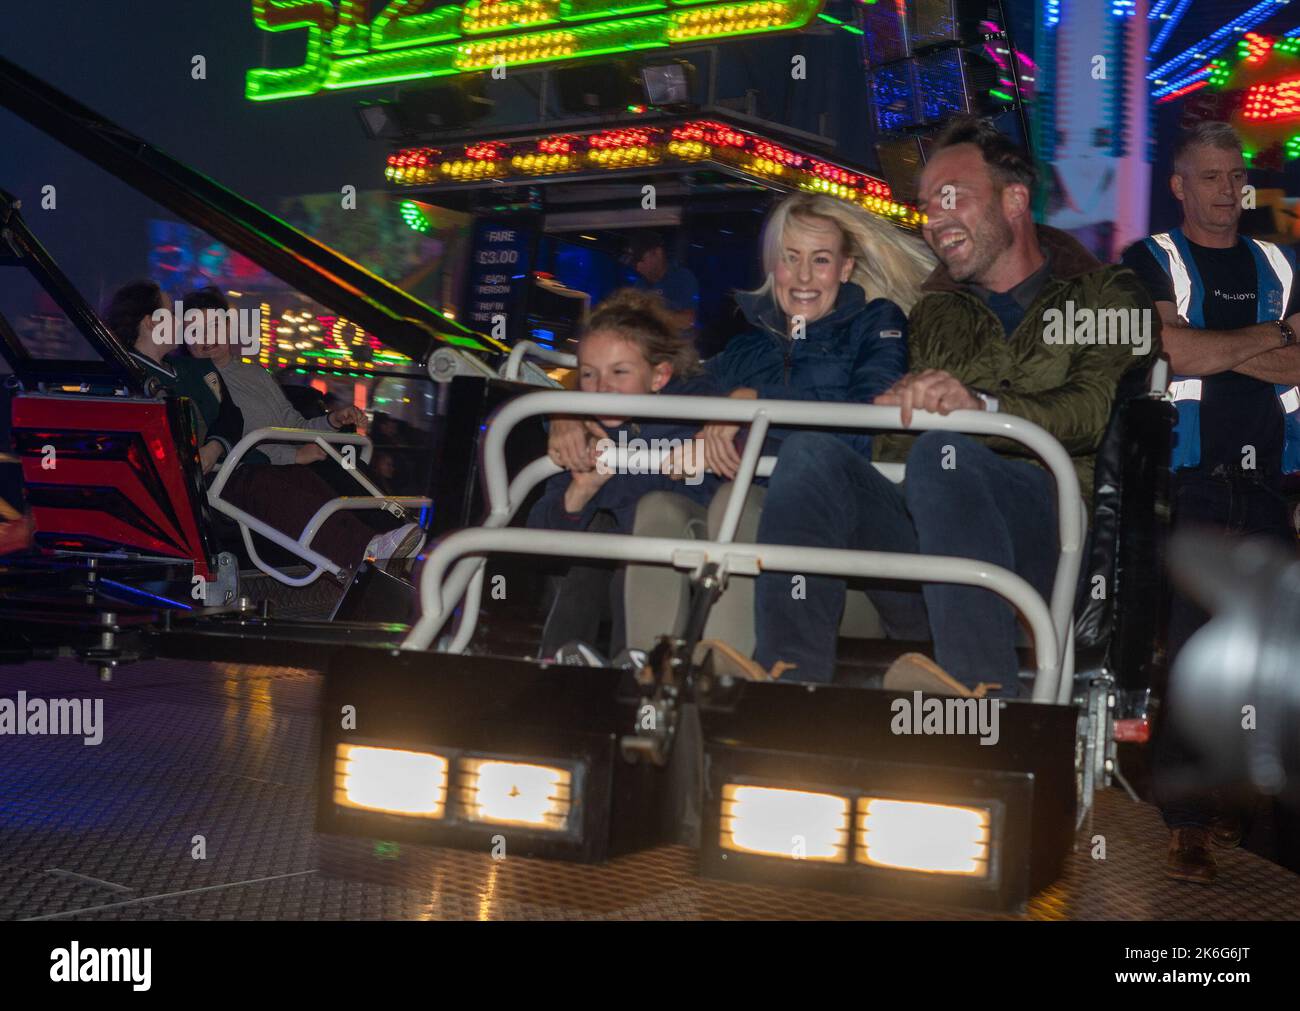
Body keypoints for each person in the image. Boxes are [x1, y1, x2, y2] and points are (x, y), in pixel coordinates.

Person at [740, 117, 1156, 692]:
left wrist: (977, 406)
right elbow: (892, 446)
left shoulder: (1108, 290)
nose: (933, 219)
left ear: (1014, 200)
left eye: (951, 198)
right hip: (939, 534)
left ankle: (981, 692)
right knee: (813, 455)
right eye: (927, 205)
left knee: (944, 454)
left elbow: (1091, 411)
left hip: (1053, 532)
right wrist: (898, 408)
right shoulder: (938, 311)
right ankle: (784, 678)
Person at [1120, 121, 1300, 885]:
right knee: (1194, 649)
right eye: (1213, 176)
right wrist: (1271, 337)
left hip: (1274, 483)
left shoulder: (1284, 261)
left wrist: (1215, 342)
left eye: (1236, 177)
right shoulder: (1147, 259)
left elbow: (1209, 348)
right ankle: (1187, 823)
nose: (1229, 191)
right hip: (1187, 479)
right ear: (1180, 185)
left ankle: (1240, 810)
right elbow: (1175, 351)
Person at [530, 289, 720, 657]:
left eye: (620, 372)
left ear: (659, 376)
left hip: (695, 576)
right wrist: (579, 492)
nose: (602, 388)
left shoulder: (702, 413)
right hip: (615, 579)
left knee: (639, 543)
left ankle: (638, 665)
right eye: (588, 374)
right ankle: (560, 663)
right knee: (593, 541)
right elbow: (539, 546)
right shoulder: (587, 432)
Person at [184, 288, 423, 572]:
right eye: (195, 330)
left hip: (284, 458)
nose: (206, 338)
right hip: (248, 468)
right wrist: (294, 456)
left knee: (341, 459)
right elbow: (229, 437)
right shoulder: (195, 381)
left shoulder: (255, 374)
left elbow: (294, 424)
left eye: (213, 326)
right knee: (310, 471)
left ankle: (401, 532)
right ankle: (370, 548)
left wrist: (332, 421)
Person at [104, 280, 243, 474]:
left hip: (233, 467)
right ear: (151, 322)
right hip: (209, 484)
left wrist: (213, 448)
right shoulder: (132, 380)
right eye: (172, 313)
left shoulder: (194, 366)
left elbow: (232, 415)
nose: (179, 322)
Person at [626, 232, 700, 333]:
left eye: (640, 260)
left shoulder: (682, 278)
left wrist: (651, 313)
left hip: (674, 347)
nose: (637, 267)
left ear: (658, 253)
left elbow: (687, 321)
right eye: (634, 262)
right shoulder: (639, 285)